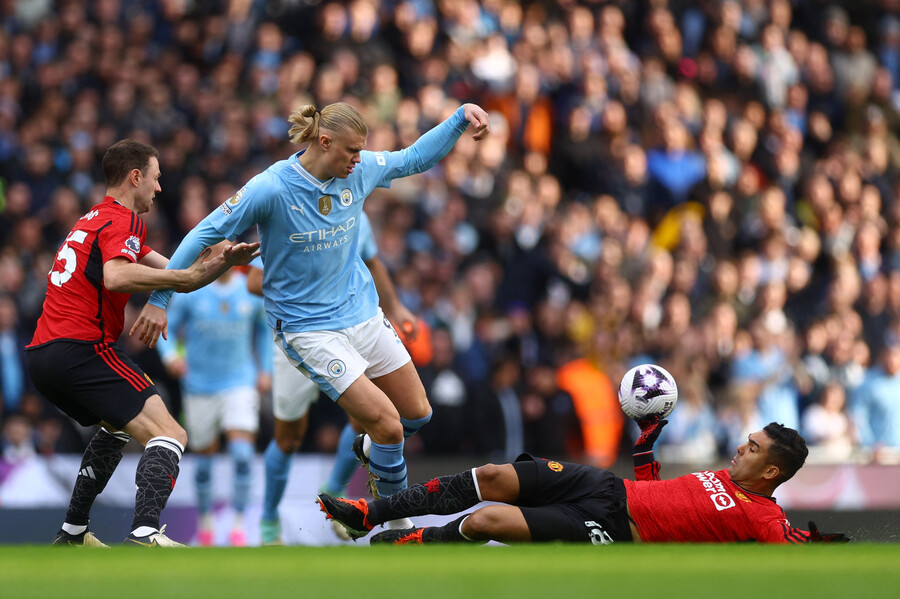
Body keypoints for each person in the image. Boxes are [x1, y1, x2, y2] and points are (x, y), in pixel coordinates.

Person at [131, 101, 490, 537]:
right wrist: (160, 298)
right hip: (308, 330)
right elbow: (203, 235)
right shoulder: (271, 188)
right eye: (352, 151)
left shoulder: (357, 172)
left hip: (362, 314)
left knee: (417, 414)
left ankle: (367, 452)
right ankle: (395, 527)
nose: (359, 160)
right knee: (387, 426)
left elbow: (413, 158)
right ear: (324, 142)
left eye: (361, 152)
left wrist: (459, 117)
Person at [25, 139, 259, 547]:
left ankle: (72, 533)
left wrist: (224, 261)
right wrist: (178, 282)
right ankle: (145, 531)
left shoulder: (92, 220)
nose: (159, 188)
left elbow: (179, 272)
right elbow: (119, 277)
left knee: (117, 429)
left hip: (45, 356)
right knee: (170, 433)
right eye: (156, 178)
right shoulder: (124, 219)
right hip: (81, 348)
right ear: (136, 177)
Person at [317, 417, 850, 544]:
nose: (741, 447)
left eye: (753, 449)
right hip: (608, 484)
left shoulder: (763, 517)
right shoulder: (725, 477)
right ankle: (367, 512)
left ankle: (402, 543)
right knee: (494, 475)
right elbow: (659, 489)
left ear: (773, 472)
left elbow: (790, 546)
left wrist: (816, 544)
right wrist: (644, 445)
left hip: (609, 524)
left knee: (485, 521)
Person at [246, 211, 420, 545]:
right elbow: (254, 281)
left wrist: (396, 307)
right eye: (349, 154)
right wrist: (304, 287)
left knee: (368, 419)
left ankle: (337, 493)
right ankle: (269, 523)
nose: (353, 162)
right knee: (289, 437)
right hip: (298, 339)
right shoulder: (290, 214)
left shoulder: (357, 215)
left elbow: (372, 261)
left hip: (346, 335)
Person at [155, 252, 271, 547]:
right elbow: (163, 325)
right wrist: (171, 357)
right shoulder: (191, 294)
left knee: (243, 456)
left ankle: (238, 524)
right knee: (204, 464)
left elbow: (263, 332)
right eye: (217, 254)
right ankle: (205, 522)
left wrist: (265, 369)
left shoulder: (249, 290)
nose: (222, 259)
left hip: (239, 383)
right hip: (199, 386)